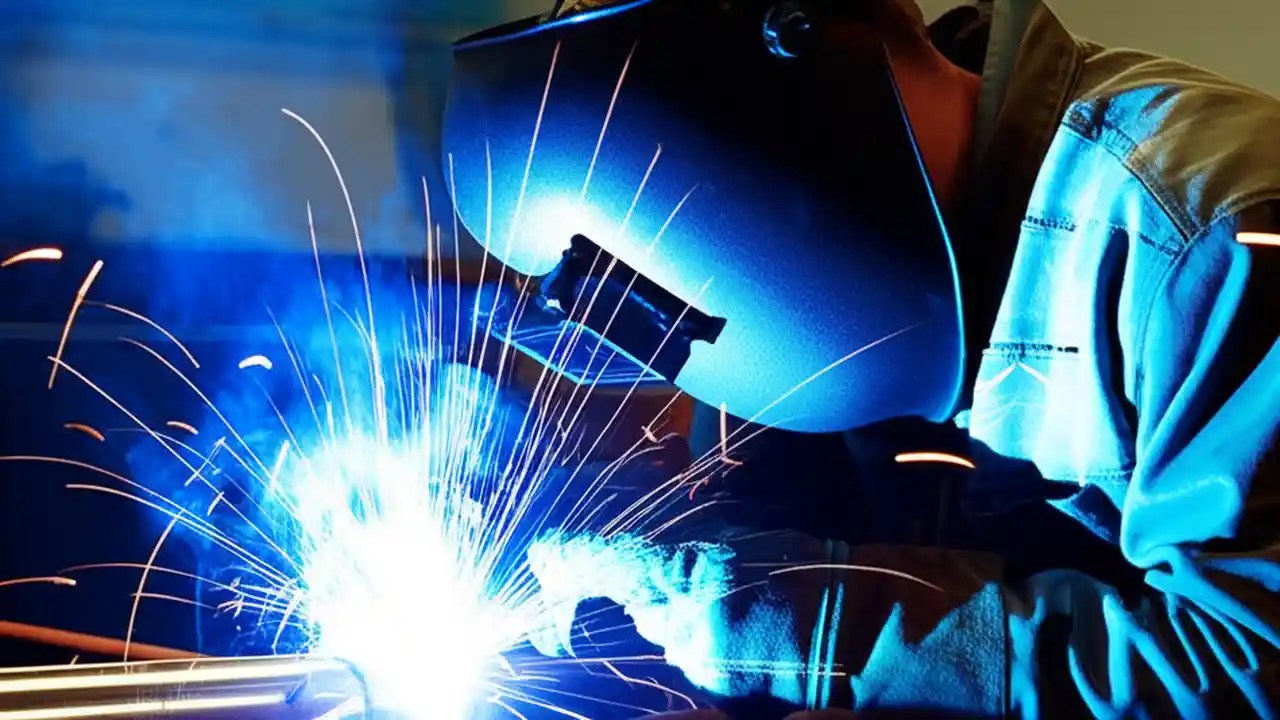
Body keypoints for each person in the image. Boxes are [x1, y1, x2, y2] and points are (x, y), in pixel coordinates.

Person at [442, 0, 1280, 717]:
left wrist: (827, 625)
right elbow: (756, 550)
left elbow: (1247, 673)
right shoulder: (794, 285)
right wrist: (638, 581)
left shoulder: (1202, 237)